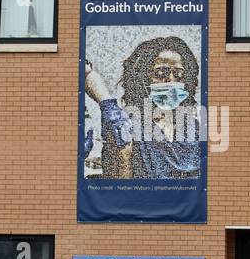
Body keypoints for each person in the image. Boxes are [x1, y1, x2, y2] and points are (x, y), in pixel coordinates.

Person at [84, 35, 200, 179]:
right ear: (142, 78)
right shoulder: (127, 127)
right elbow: (121, 190)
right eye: (161, 73)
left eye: (178, 74)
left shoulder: (194, 128)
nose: (171, 80)